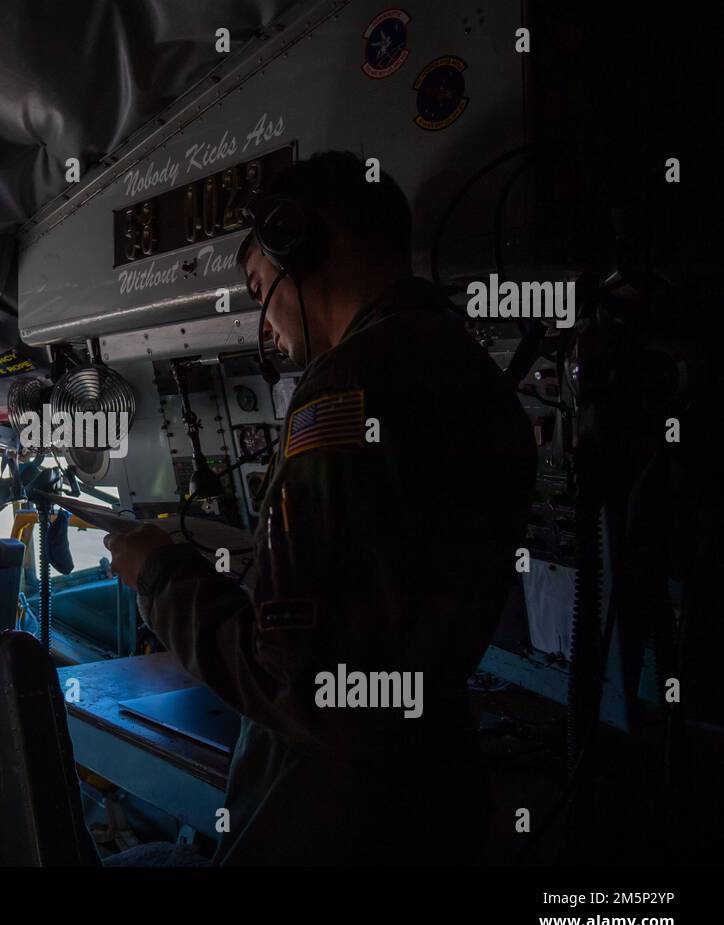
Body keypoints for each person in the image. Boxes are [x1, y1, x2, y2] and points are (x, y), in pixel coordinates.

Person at [104, 151, 537, 865]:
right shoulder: (476, 377)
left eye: (256, 285)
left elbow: (297, 687)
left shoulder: (348, 386)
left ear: (298, 243)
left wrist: (159, 575)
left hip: (332, 817)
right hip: (432, 794)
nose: (263, 322)